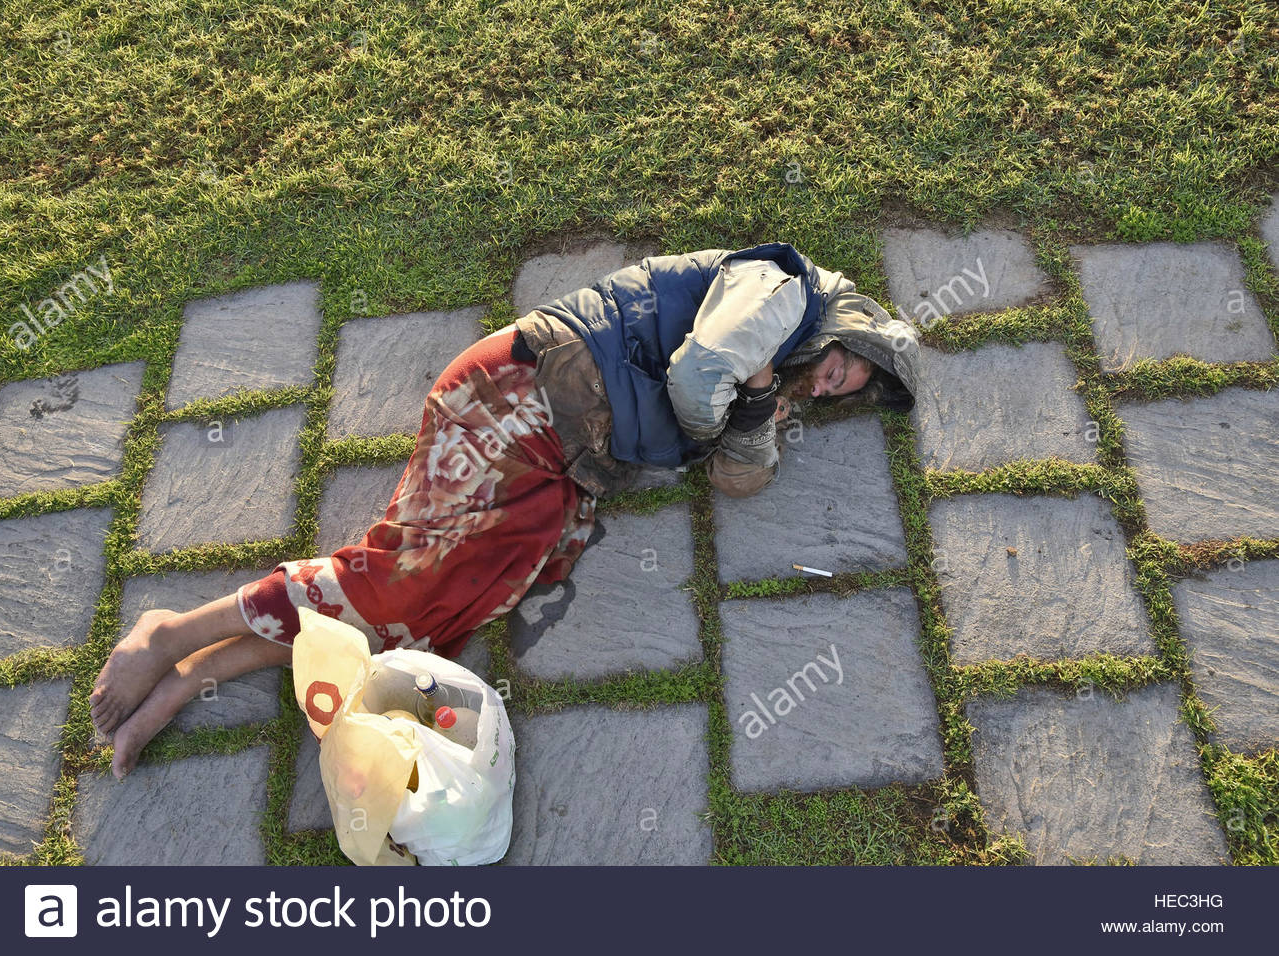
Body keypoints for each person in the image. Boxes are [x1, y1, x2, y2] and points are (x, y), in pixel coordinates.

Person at [89, 241, 919, 779]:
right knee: (398, 578)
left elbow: (741, 479)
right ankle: (175, 632)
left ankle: (198, 674)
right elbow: (698, 374)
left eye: (841, 391)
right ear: (851, 329)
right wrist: (740, 415)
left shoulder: (774, 373)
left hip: (562, 455)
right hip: (515, 394)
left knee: (440, 615)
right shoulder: (785, 292)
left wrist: (755, 415)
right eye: (844, 371)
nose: (827, 385)